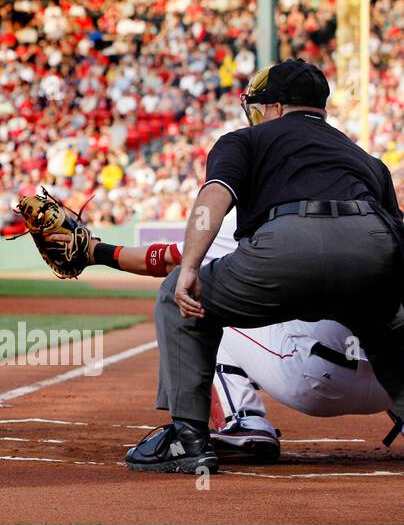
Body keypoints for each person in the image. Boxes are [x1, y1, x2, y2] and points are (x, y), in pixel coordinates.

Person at [131, 59, 404, 473]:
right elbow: (395, 232)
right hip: (371, 246)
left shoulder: (244, 140)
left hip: (286, 244)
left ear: (275, 108)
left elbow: (214, 200)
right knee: (384, 329)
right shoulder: (364, 157)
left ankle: (188, 439)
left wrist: (188, 267)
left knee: (177, 298)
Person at [76, 209, 398, 464]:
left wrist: (95, 252)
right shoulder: (369, 201)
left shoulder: (256, 206)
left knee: (203, 302)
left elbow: (172, 261)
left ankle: (244, 421)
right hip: (391, 383)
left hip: (317, 380)